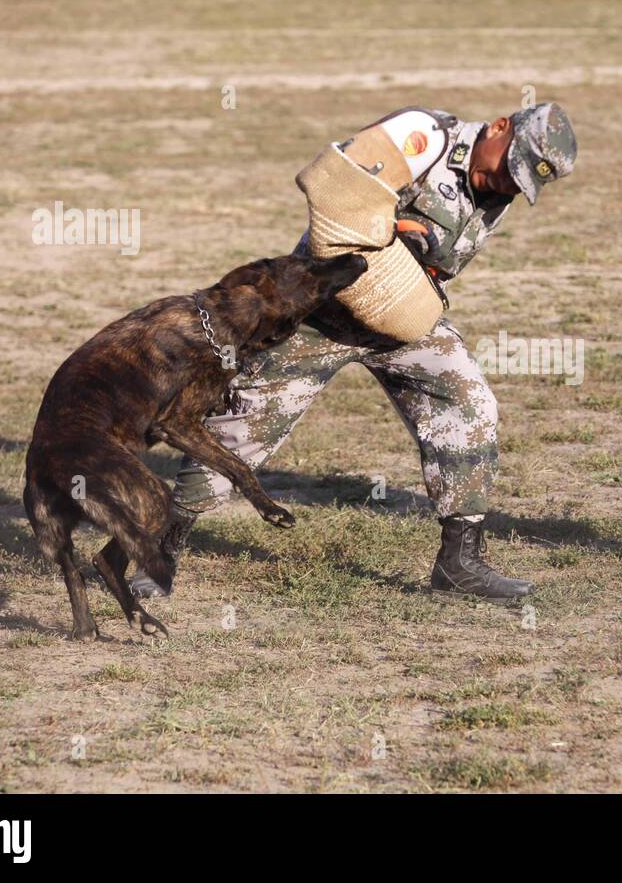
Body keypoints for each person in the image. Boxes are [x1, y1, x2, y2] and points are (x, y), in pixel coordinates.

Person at [127, 103, 577, 601]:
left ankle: (459, 563)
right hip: (318, 312)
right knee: (237, 434)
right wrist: (394, 234)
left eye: (518, 182)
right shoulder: (425, 139)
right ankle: (160, 550)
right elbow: (338, 194)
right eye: (506, 168)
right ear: (498, 128)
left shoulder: (495, 186)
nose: (505, 184)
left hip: (400, 319)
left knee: (469, 403)